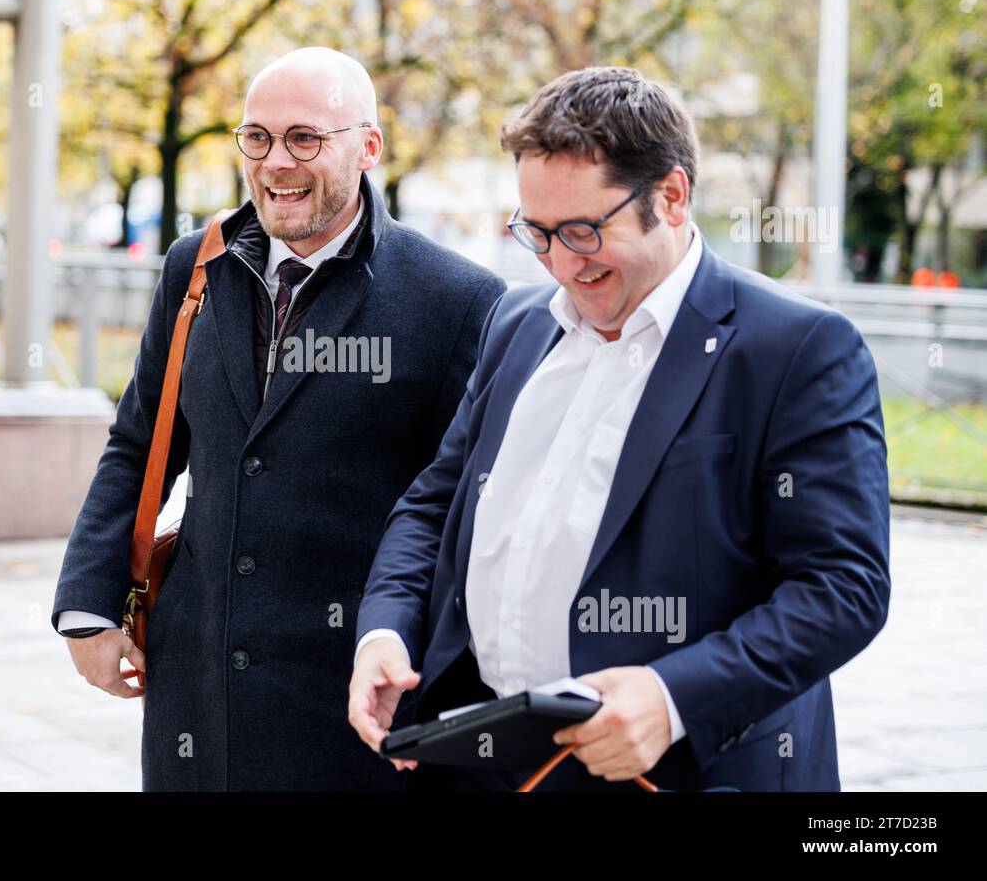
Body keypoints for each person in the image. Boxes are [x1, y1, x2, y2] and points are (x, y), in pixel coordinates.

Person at [348, 66, 890, 791]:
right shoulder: (516, 322)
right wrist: (385, 631)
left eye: (582, 230)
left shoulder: (797, 349)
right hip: (483, 756)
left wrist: (672, 699)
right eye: (535, 232)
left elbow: (843, 587)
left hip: (679, 772)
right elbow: (436, 502)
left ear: (670, 196)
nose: (561, 263)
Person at [52, 47, 507, 791]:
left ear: (368, 147)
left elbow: (460, 514)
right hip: (195, 696)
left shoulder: (457, 301)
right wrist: (88, 603)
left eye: (304, 138)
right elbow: (139, 442)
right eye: (256, 138)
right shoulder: (193, 267)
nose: (274, 163)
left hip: (352, 711)